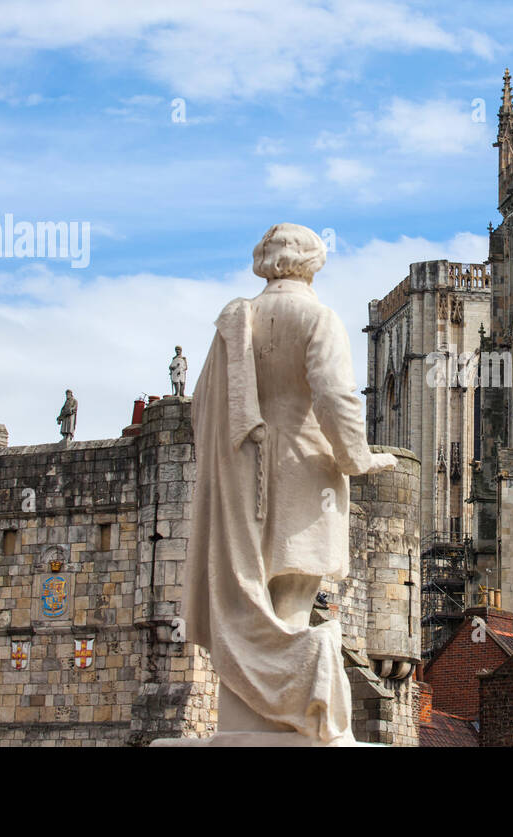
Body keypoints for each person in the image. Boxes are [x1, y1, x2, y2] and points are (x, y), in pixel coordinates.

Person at [185, 223, 395, 744]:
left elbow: (200, 406)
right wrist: (359, 458)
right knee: (295, 590)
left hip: (245, 473)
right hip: (305, 470)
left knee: (250, 586)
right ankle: (287, 712)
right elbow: (334, 398)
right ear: (312, 262)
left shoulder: (236, 323)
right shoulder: (316, 317)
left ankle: (248, 717)